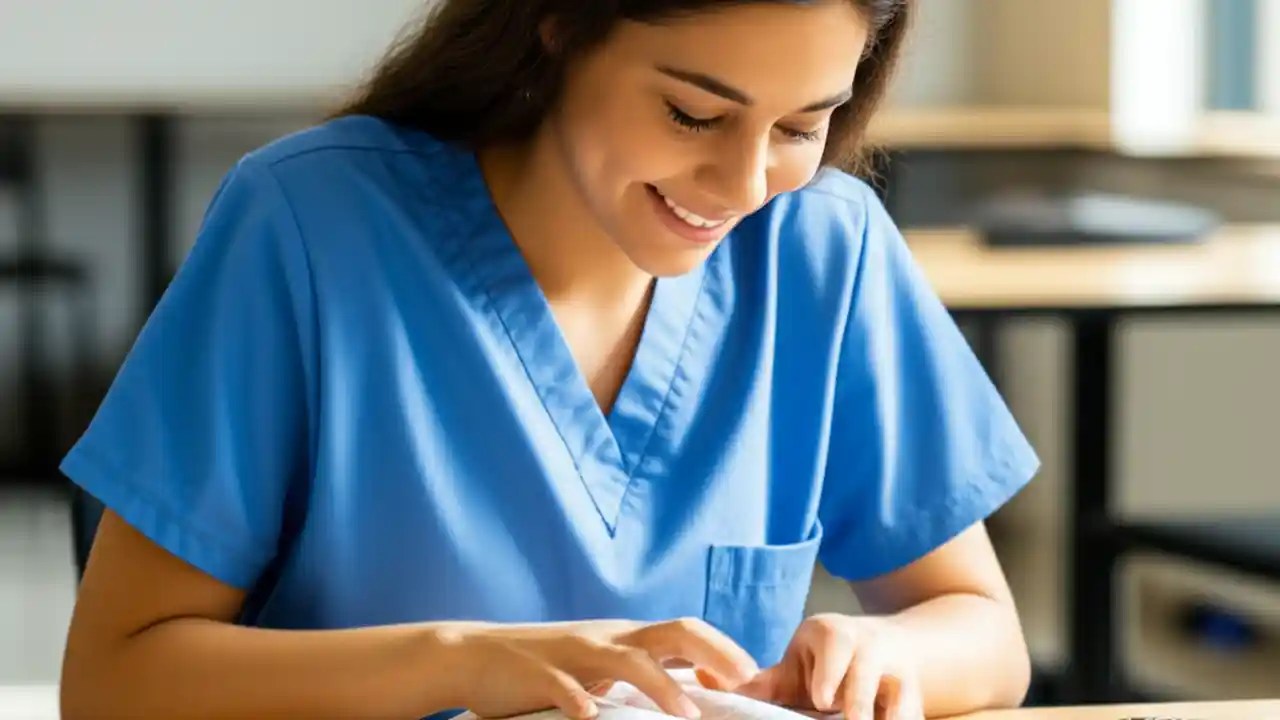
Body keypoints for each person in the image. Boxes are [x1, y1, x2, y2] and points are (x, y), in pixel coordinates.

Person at [58, 1, 1041, 719]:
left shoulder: (820, 245)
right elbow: (114, 683)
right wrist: (463, 664)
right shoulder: (311, 228)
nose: (744, 184)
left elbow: (981, 632)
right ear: (559, 24)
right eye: (693, 115)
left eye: (798, 127)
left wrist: (885, 652)